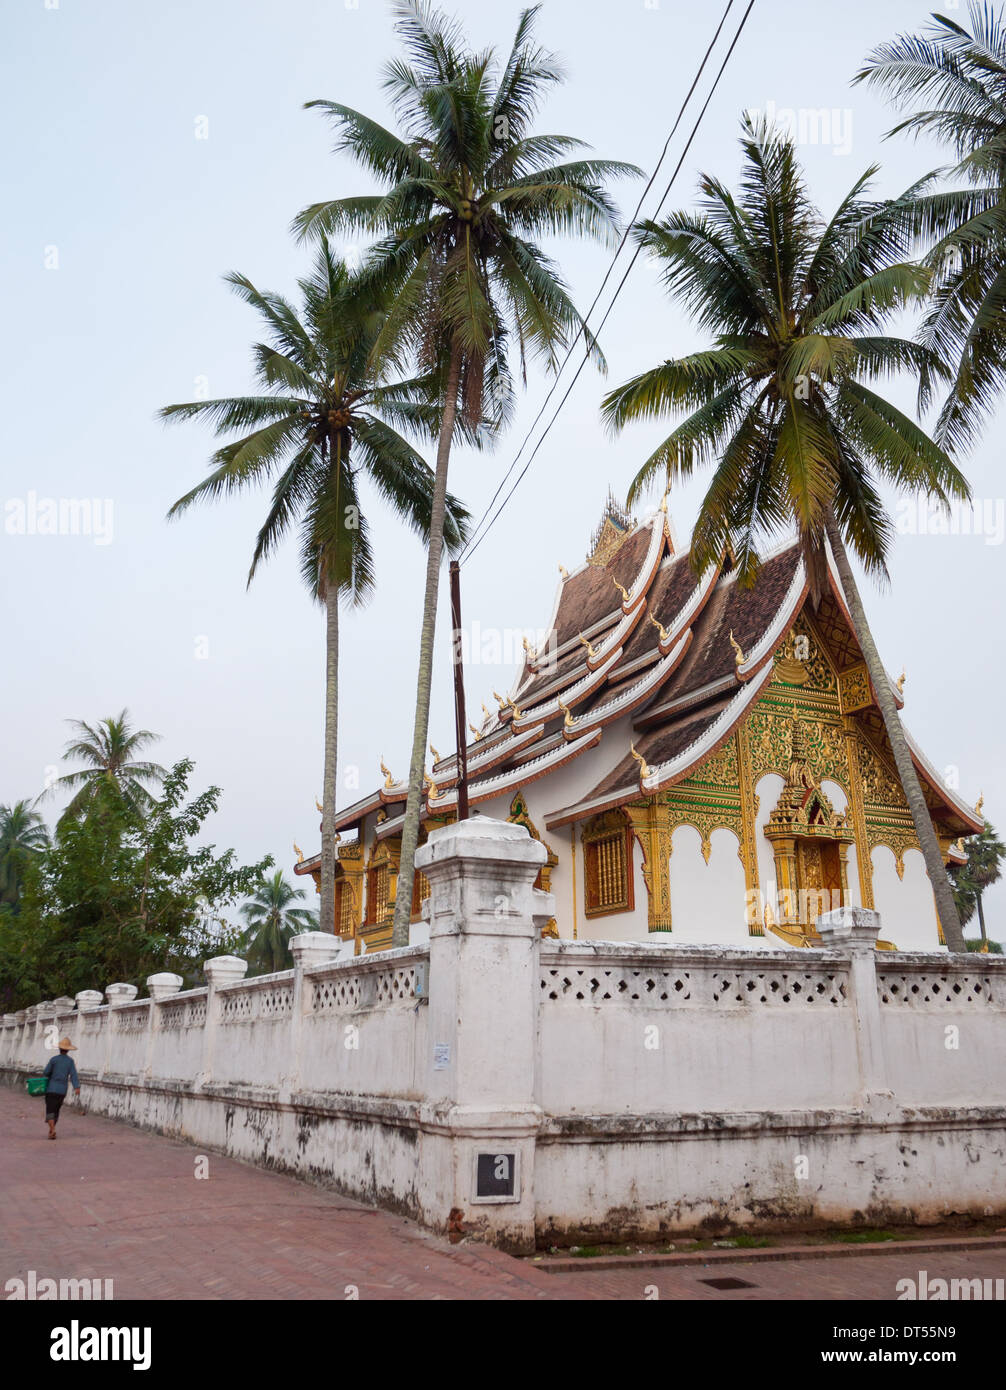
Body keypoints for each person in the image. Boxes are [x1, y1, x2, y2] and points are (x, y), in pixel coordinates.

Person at [43, 1037, 80, 1140]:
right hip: (62, 1091)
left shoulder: (53, 1060)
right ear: (68, 1050)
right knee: (56, 1110)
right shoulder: (70, 1061)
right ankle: (52, 1130)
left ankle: (52, 1129)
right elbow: (73, 1075)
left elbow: (46, 1072)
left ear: (59, 1049)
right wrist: (77, 1087)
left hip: (51, 1089)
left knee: (50, 1110)